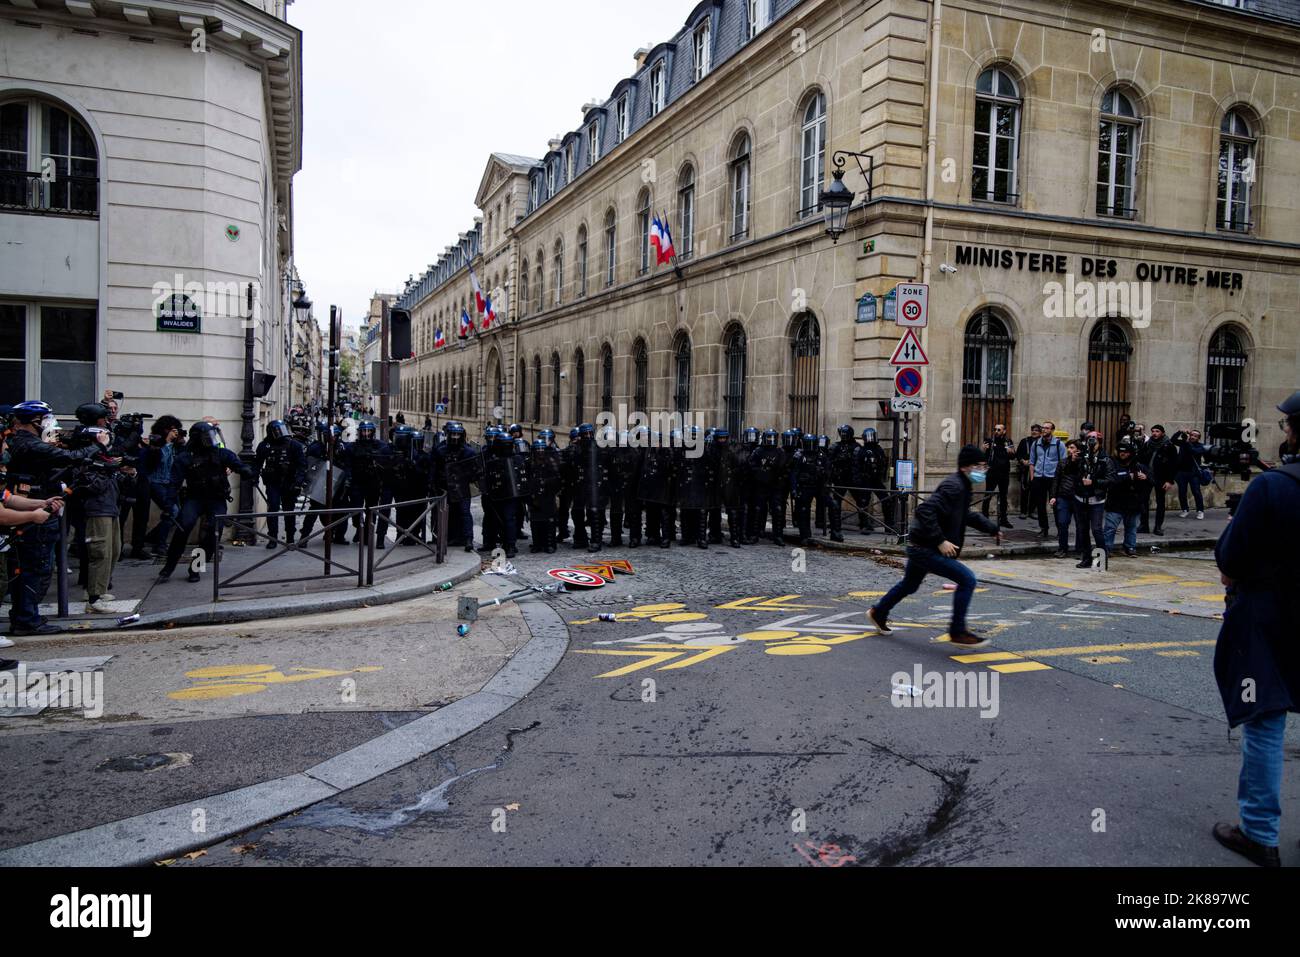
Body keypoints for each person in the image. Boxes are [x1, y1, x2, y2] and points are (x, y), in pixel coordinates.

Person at [1210, 391, 1300, 868]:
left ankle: (1260, 834)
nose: (1283, 432)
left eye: (1287, 425)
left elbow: (1229, 562)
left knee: (1265, 721)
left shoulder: (1271, 488)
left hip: (1269, 618)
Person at [868, 445, 1002, 648]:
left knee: (909, 585)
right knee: (967, 580)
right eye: (979, 465)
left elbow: (966, 515)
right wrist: (940, 540)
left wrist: (991, 528)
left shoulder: (963, 486)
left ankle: (879, 612)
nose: (983, 470)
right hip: (926, 548)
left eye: (984, 465)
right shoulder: (954, 486)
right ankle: (957, 632)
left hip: (921, 545)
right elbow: (924, 510)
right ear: (966, 467)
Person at [4, 401, 102, 635]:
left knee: (32, 567)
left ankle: (24, 615)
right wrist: (98, 446)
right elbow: (68, 457)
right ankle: (26, 619)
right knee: (35, 567)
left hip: (38, 504)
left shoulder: (26, 443)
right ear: (34, 421)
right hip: (33, 517)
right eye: (48, 419)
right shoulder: (28, 444)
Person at [158, 422, 253, 584]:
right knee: (183, 527)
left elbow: (236, 464)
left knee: (212, 533)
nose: (211, 440)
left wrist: (245, 470)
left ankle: (196, 568)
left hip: (216, 498)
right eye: (207, 437)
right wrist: (167, 506)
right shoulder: (185, 457)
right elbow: (174, 484)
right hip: (195, 498)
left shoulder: (220, 453)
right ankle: (169, 566)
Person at [129, 415, 184, 559]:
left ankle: (153, 537)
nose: (176, 432)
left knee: (176, 513)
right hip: (155, 482)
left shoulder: (175, 446)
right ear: (165, 430)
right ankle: (160, 544)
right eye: (173, 430)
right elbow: (159, 459)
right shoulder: (156, 443)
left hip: (169, 483)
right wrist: (167, 442)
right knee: (172, 510)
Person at [254, 420, 307, 548]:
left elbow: (302, 466)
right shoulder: (264, 445)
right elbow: (257, 463)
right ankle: (272, 538)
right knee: (273, 508)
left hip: (290, 482)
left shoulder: (294, 445)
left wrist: (298, 483)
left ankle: (290, 537)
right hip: (273, 483)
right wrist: (254, 477)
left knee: (289, 510)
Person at [1071, 431, 1113, 568]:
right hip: (1080, 498)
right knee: (1082, 530)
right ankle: (1087, 558)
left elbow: (1111, 479)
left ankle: (1101, 559)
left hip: (1096, 500)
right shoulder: (1081, 457)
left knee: (1096, 530)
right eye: (1089, 441)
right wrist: (1072, 461)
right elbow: (1068, 472)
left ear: (1099, 443)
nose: (1091, 444)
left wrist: (1093, 482)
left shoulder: (1105, 459)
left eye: (1094, 441)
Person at [1104, 437, 1148, 557]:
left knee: (1131, 527)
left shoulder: (1138, 465)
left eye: (1126, 452)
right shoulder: (1112, 463)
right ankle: (1107, 549)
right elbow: (1111, 481)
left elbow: (1152, 480)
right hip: (1116, 501)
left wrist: (1145, 477)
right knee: (1110, 527)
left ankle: (1130, 547)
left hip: (1133, 502)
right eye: (1121, 452)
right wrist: (1127, 477)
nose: (1123, 454)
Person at [1028, 420, 1066, 538]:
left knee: (1056, 506)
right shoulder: (1036, 444)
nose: (1044, 430)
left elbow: (1064, 463)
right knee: (1040, 505)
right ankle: (1044, 528)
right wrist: (1032, 478)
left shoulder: (1059, 444)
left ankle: (1060, 530)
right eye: (1043, 428)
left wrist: (1061, 480)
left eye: (1047, 428)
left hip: (1053, 479)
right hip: (1039, 478)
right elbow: (1032, 462)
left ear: (1052, 430)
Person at [1140, 424, 1178, 535]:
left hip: (1161, 478)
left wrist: (1170, 481)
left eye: (1157, 431)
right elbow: (1141, 459)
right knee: (1143, 501)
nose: (1154, 433)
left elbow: (1173, 465)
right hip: (1147, 476)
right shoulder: (1148, 444)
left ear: (1162, 432)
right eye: (1153, 431)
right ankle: (1144, 526)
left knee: (1160, 503)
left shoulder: (1169, 446)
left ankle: (1158, 527)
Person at [1048, 440, 1082, 559]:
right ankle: (1062, 548)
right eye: (1068, 447)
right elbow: (1056, 480)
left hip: (1079, 498)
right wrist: (1053, 496)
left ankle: (1080, 550)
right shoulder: (1062, 462)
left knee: (1080, 525)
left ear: (1078, 450)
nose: (1069, 450)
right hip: (1063, 497)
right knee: (1062, 523)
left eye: (1072, 447)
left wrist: (1076, 461)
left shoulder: (1083, 463)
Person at [981, 424, 1016, 529]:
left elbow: (1013, 456)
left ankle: (1003, 519)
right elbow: (983, 456)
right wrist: (983, 449)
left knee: (1003, 497)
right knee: (988, 495)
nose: (996, 431)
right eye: (995, 429)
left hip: (1004, 473)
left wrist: (1011, 452)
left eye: (998, 429)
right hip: (992, 473)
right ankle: (984, 520)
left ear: (1004, 431)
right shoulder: (989, 441)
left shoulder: (1008, 442)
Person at [1172, 430, 1206, 520]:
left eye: (1195, 436)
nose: (1192, 437)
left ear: (1198, 438)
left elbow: (1193, 451)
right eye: (1191, 435)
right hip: (1181, 472)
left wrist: (1187, 442)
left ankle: (1200, 511)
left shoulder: (1201, 446)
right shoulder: (1183, 443)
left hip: (1193, 473)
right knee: (1182, 492)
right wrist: (1179, 431)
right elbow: (1173, 440)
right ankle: (1185, 509)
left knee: (1196, 492)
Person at [1015, 424, 1041, 518]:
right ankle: (1023, 512)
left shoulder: (1042, 442)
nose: (1034, 432)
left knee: (1035, 491)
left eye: (1036, 430)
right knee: (1024, 491)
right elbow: (1018, 454)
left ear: (1040, 432)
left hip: (1037, 470)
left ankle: (1032, 512)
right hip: (1025, 470)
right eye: (1033, 430)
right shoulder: (1024, 441)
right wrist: (1023, 461)